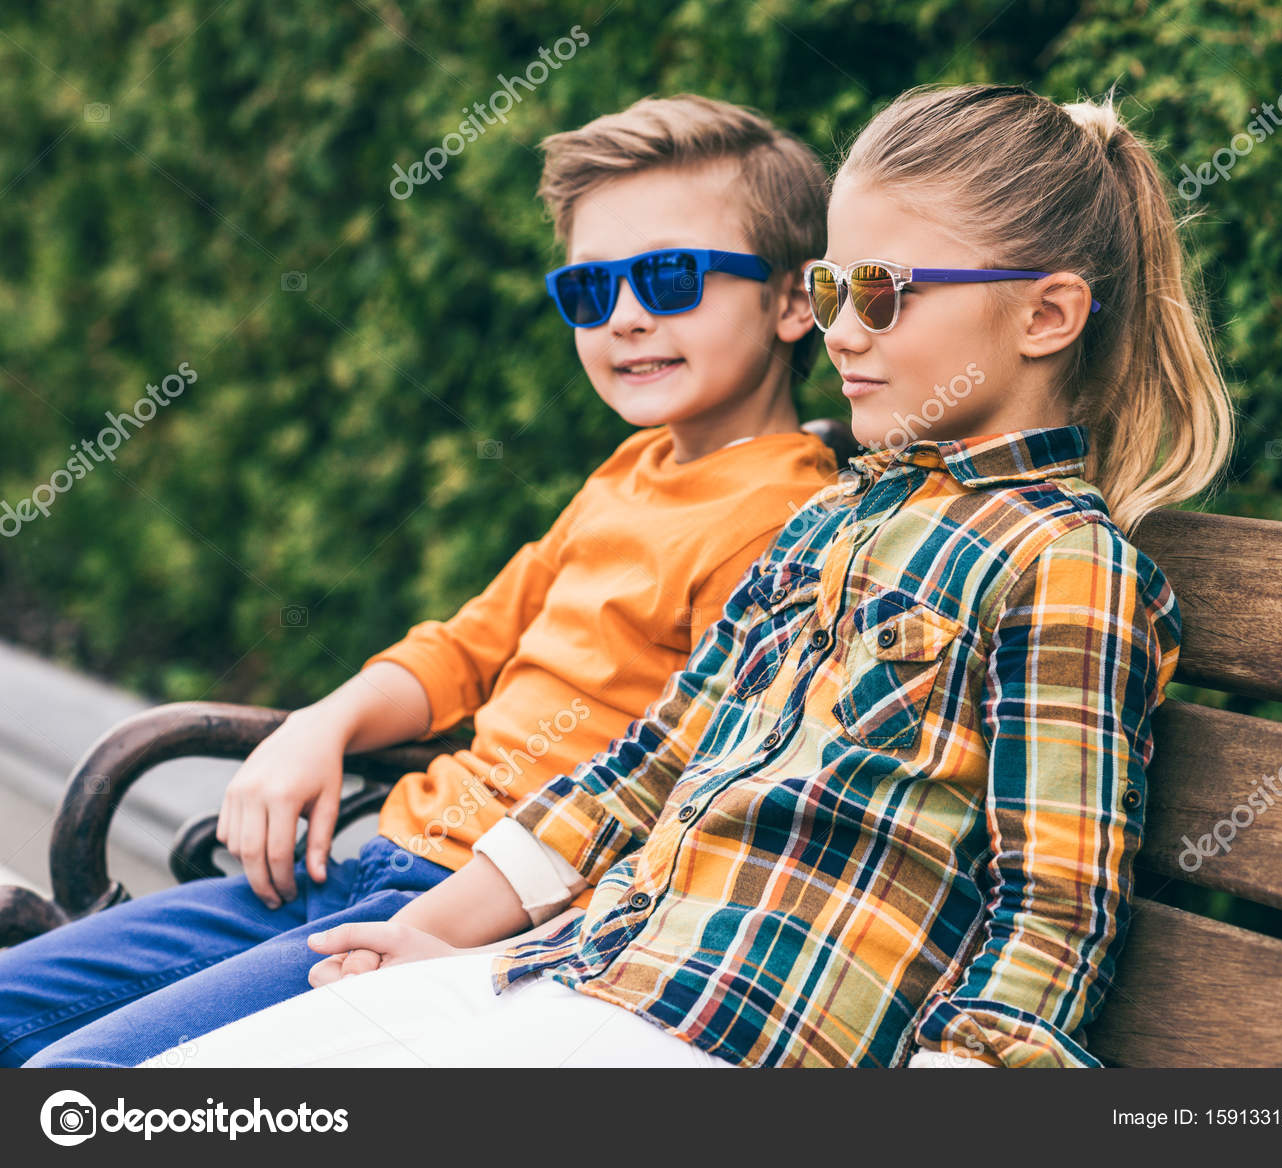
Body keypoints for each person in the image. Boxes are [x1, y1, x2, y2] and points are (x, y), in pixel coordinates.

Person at [142, 81, 1233, 1069]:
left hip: (724, 1027)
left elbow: (1050, 912)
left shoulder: (1067, 564)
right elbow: (649, 762)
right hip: (576, 972)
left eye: (886, 294)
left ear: (1045, 315)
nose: (844, 333)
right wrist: (440, 936)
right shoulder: (828, 518)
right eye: (833, 286)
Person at [6, 93, 840, 1068]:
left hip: (475, 918)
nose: (624, 317)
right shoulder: (633, 474)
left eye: (669, 277)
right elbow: (468, 644)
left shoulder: (782, 522)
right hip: (361, 865)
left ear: (790, 301)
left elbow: (685, 794)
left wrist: (463, 926)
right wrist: (323, 723)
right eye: (588, 289)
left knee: (80, 1087)